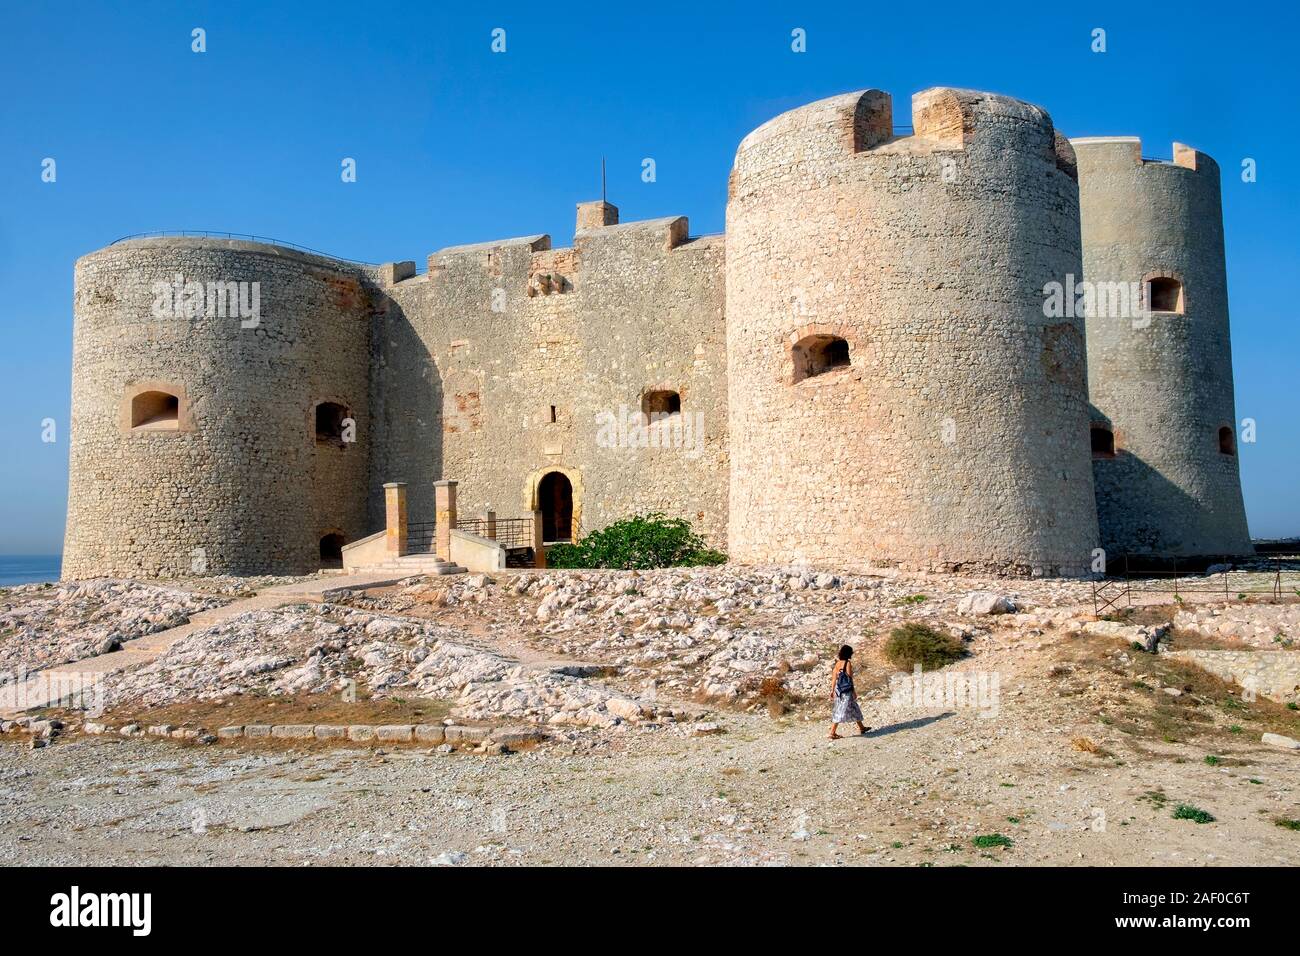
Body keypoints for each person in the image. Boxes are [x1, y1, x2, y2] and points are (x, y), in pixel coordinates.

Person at [829, 644, 868, 739]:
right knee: (841, 710)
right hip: (846, 690)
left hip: (839, 690)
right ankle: (832, 732)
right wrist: (853, 691)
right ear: (849, 653)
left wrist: (832, 690)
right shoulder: (848, 663)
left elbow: (834, 678)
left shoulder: (837, 664)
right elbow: (849, 678)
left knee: (853, 707)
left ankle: (862, 727)